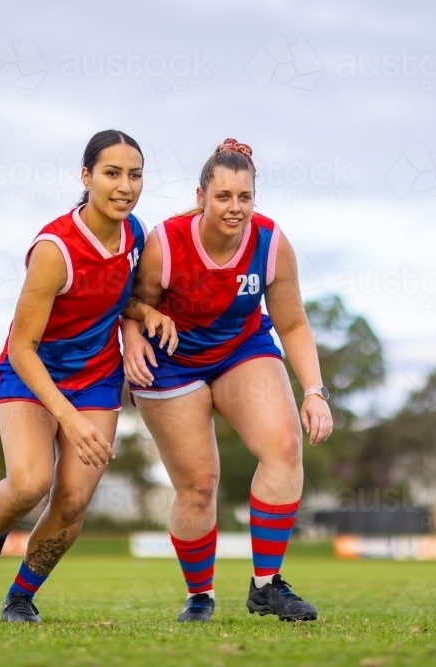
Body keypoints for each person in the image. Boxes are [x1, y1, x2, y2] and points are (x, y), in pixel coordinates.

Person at [0, 130, 178, 624]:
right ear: (86, 177)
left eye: (135, 174)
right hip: (31, 374)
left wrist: (146, 313)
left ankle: (21, 596)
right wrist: (70, 420)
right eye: (112, 173)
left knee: (73, 500)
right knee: (31, 482)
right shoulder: (55, 249)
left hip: (96, 376)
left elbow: (116, 300)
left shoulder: (135, 233)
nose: (125, 186)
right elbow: (21, 347)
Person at [122, 138, 333, 623]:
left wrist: (315, 392)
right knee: (198, 485)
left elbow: (293, 323)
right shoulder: (165, 241)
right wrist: (132, 339)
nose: (235, 208)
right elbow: (132, 302)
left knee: (284, 447)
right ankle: (200, 595)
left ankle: (267, 585)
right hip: (171, 361)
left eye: (244, 197)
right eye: (223, 197)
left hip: (241, 350)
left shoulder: (272, 243)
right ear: (201, 198)